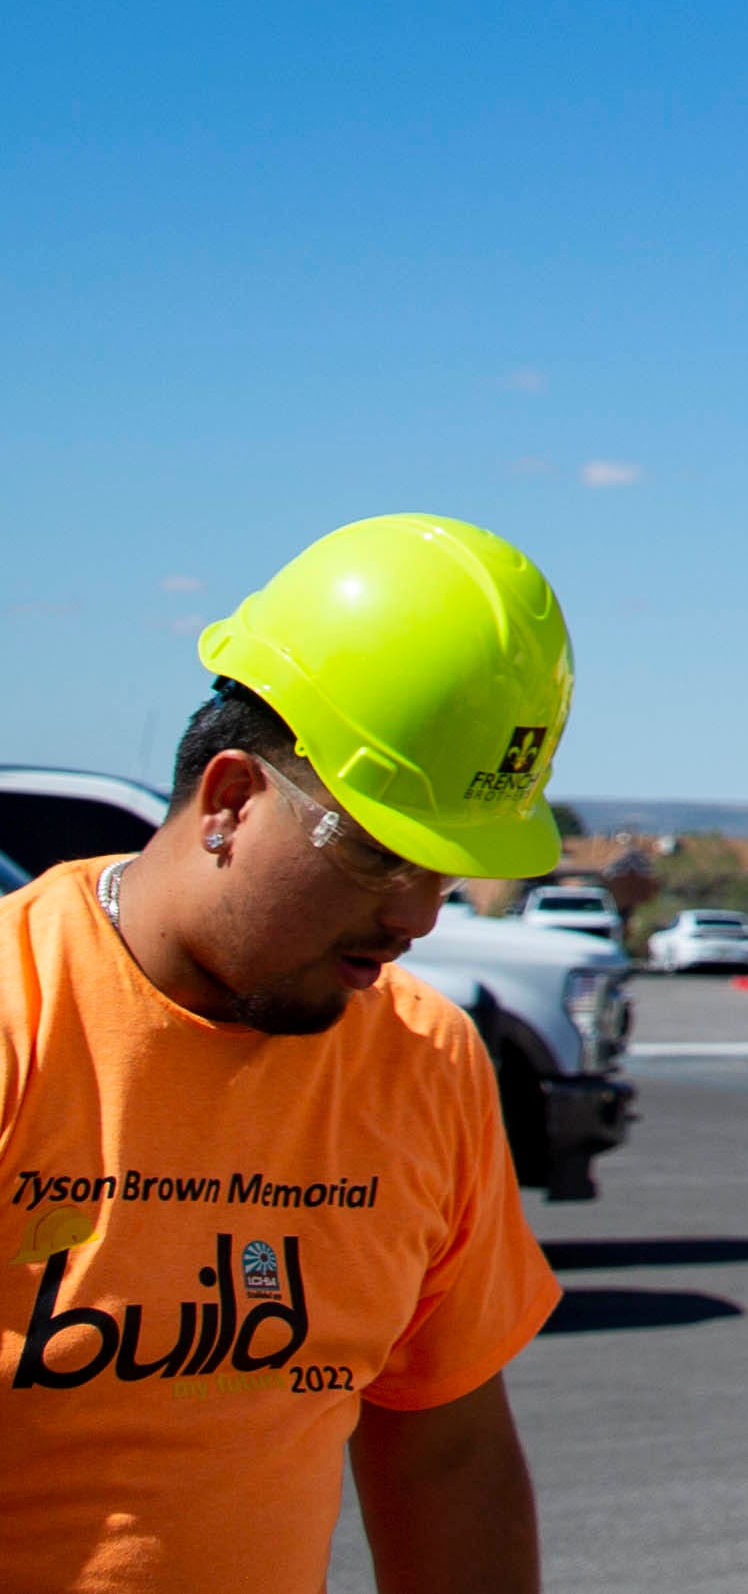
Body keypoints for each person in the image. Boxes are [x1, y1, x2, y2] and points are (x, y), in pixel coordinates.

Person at [1, 515, 576, 1593]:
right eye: (375, 856)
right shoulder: (18, 1015)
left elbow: (445, 1452)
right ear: (229, 800)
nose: (416, 918)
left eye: (447, 873)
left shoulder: (423, 1062)